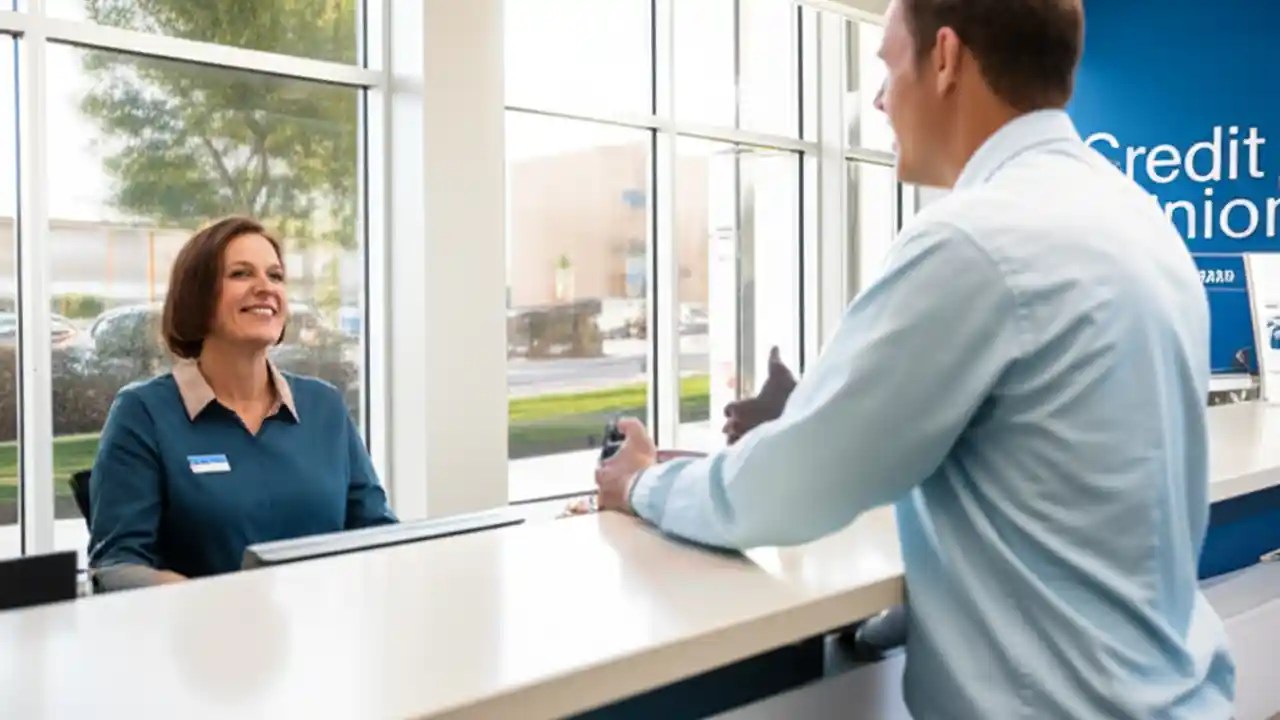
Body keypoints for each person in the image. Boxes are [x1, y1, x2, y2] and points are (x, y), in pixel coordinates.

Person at [594, 0, 1235, 717]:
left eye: (887, 64)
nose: (879, 98)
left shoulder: (975, 240)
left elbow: (795, 487)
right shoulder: (1138, 218)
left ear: (946, 58)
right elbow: (1070, 499)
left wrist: (643, 485)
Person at [88, 216, 396, 591]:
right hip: (204, 639)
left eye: (276, 276)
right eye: (241, 274)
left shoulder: (324, 406)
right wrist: (219, 605)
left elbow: (378, 535)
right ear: (197, 295)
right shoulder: (143, 413)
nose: (265, 288)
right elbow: (117, 566)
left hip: (324, 632)